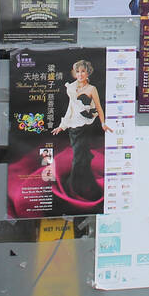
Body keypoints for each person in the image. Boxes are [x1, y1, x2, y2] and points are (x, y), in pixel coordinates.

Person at [50, 59, 109, 202]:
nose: (80, 74)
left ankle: (74, 188)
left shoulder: (91, 89)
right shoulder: (72, 88)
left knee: (79, 159)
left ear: (88, 72)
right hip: (73, 129)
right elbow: (70, 109)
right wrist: (62, 126)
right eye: (78, 71)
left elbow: (98, 108)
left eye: (83, 71)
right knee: (82, 159)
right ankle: (88, 188)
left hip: (85, 128)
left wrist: (103, 123)